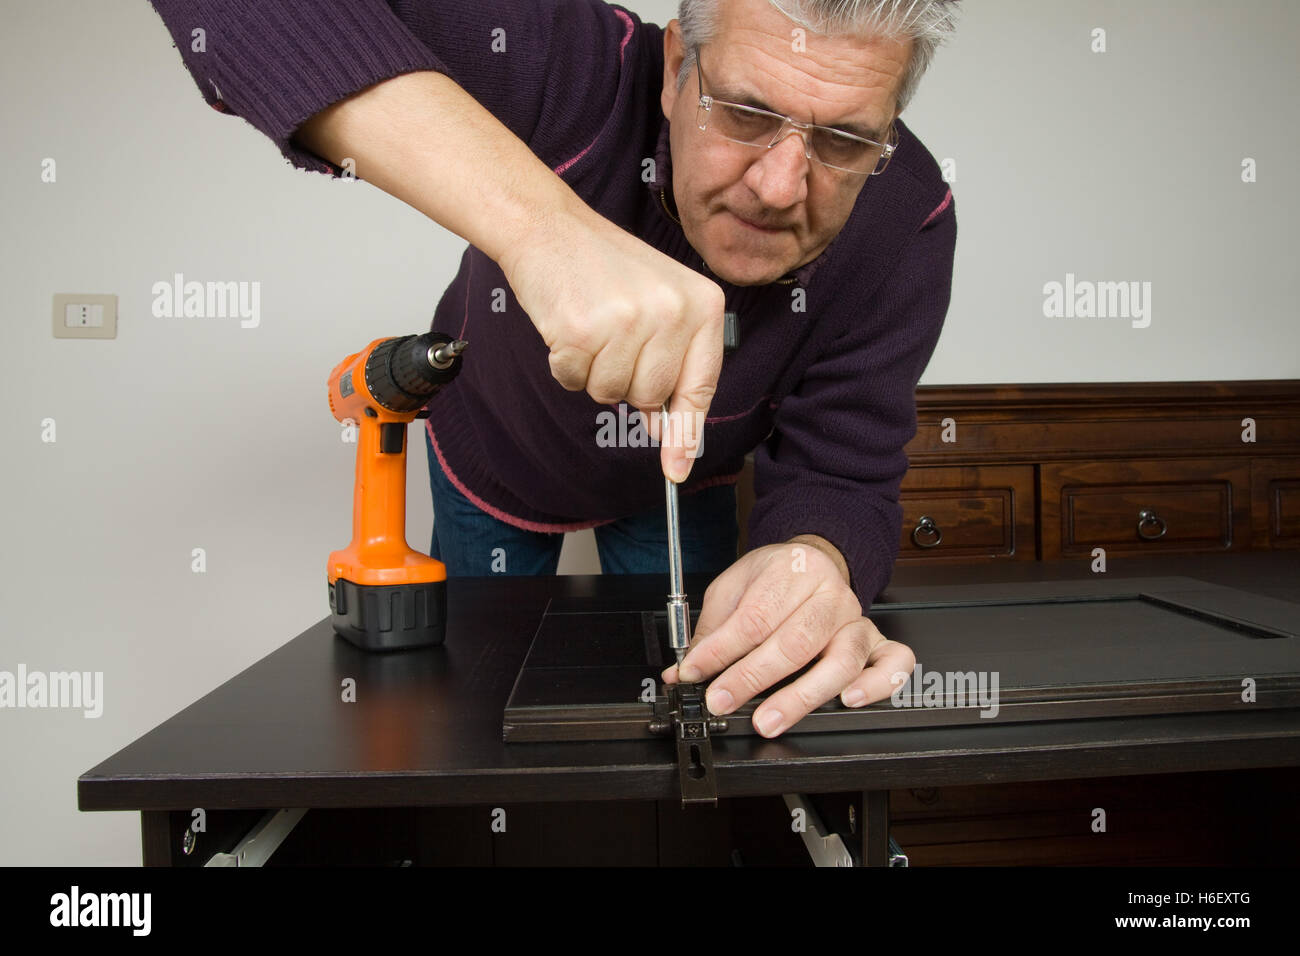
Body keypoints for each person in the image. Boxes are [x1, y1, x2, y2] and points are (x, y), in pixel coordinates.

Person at [149, 0, 959, 737]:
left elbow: (843, 472)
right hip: (493, 452)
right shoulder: (572, 69)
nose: (780, 187)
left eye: (844, 139)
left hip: (677, 482)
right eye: (746, 113)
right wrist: (543, 226)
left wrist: (816, 560)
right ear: (678, 67)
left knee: (713, 695)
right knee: (471, 715)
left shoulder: (908, 219)